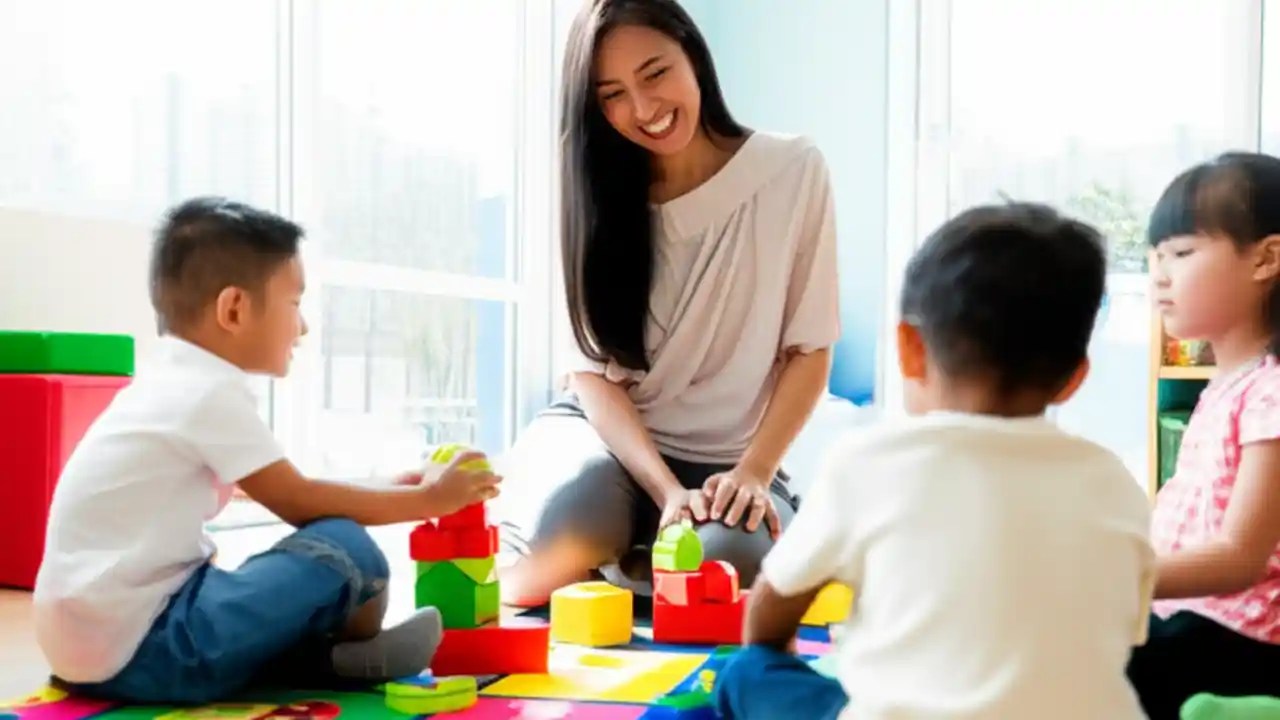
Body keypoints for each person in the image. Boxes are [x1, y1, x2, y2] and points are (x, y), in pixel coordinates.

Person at [32, 197, 502, 705]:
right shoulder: (206, 392)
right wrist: (431, 502)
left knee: (321, 534)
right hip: (158, 652)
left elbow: (276, 485)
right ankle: (339, 656)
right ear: (234, 309)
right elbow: (298, 500)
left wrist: (392, 486)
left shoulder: (168, 380)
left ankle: (315, 655)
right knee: (347, 548)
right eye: (295, 303)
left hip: (92, 653)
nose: (302, 328)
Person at [714, 203, 1155, 719]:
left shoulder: (870, 463)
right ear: (1075, 377)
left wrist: (776, 650)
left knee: (747, 673)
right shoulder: (1116, 483)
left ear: (909, 348)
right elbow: (1121, 636)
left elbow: (772, 605)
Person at [494, 0, 840, 605]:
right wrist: (664, 492)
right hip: (606, 439)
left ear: (692, 54)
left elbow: (810, 348)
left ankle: (631, 558)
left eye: (655, 74)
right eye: (613, 95)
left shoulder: (793, 170)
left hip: (729, 460)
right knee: (553, 556)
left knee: (728, 573)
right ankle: (616, 544)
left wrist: (756, 472)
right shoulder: (591, 193)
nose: (644, 109)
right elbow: (590, 374)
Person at [1127, 152, 1280, 718]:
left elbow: (1240, 557)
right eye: (1156, 257)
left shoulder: (1272, 393)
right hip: (1193, 618)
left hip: (1245, 637)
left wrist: (1115, 572)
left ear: (1266, 258)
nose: (1160, 275)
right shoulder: (1225, 386)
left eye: (1182, 253)